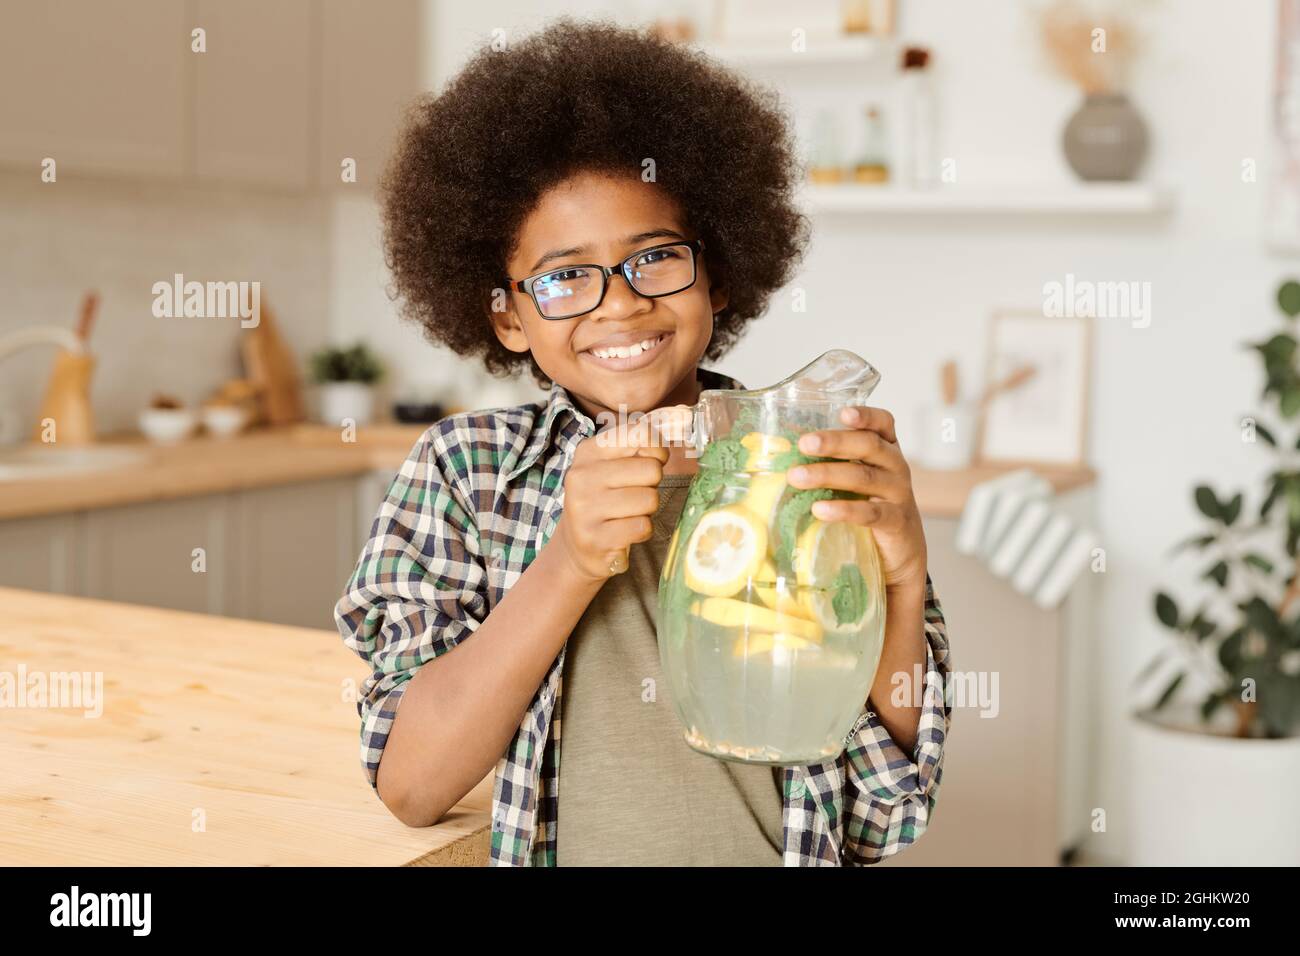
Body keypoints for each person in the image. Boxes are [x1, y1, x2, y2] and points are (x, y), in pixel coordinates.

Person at [336, 19, 951, 866]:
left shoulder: (807, 462)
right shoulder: (464, 471)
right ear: (508, 316)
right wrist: (570, 561)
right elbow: (412, 784)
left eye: (655, 258)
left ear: (721, 271)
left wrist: (904, 578)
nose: (618, 305)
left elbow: (884, 817)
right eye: (563, 277)